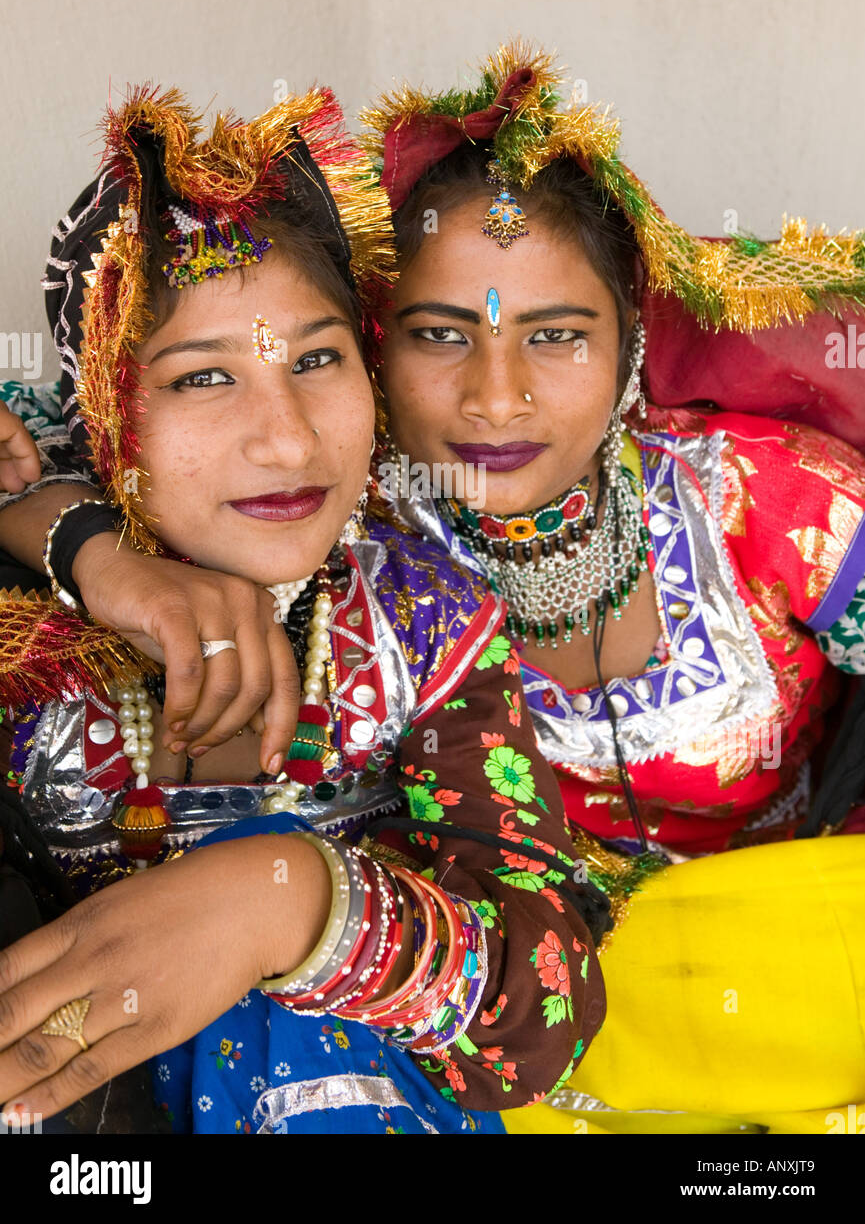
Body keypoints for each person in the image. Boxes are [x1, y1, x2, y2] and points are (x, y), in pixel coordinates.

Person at [4, 44, 865, 1134]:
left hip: (784, 983)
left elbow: (537, 977)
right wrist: (84, 545)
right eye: (437, 335)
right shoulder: (371, 532)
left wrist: (293, 901)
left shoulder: (741, 504)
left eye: (553, 336)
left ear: (631, 341)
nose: (495, 397)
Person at [0, 81, 606, 1135]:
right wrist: (78, 545)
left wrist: (295, 899)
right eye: (199, 379)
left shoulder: (417, 616)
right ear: (104, 404)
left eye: (318, 360)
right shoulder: (28, 639)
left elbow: (545, 1004)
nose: (286, 439)